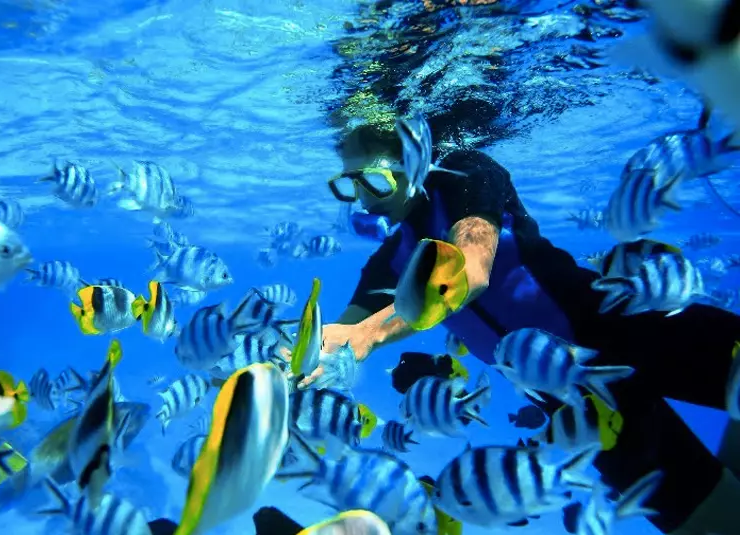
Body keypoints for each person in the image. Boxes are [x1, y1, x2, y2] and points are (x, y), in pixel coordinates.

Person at [298, 121, 740, 535]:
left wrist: (371, 334)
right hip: (575, 399)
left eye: (374, 181)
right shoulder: (390, 259)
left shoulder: (466, 174)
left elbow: (469, 270)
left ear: (412, 160)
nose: (363, 201)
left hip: (633, 327)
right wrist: (291, 361)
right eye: (348, 185)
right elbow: (338, 331)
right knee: (713, 521)